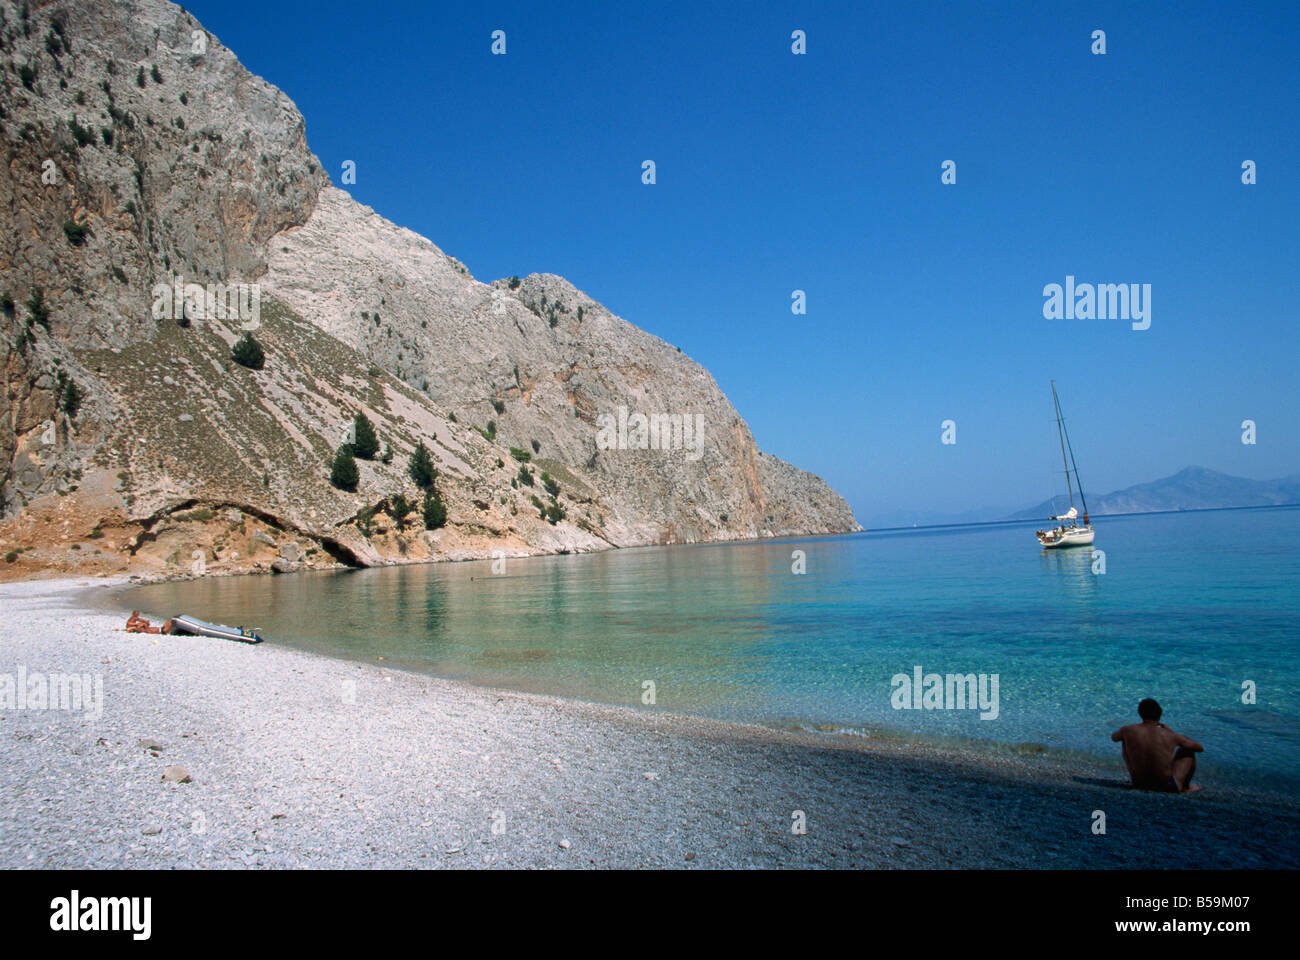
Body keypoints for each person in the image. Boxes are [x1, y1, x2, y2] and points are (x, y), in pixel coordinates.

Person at [1110, 698, 1203, 793]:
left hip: (1139, 784)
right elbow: (1199, 748)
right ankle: (1185, 788)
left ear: (1140, 713)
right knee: (1187, 750)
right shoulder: (1169, 735)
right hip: (1167, 787)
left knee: (1124, 739)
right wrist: (1171, 732)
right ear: (1159, 715)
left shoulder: (1127, 730)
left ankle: (1138, 777)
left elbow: (1114, 738)